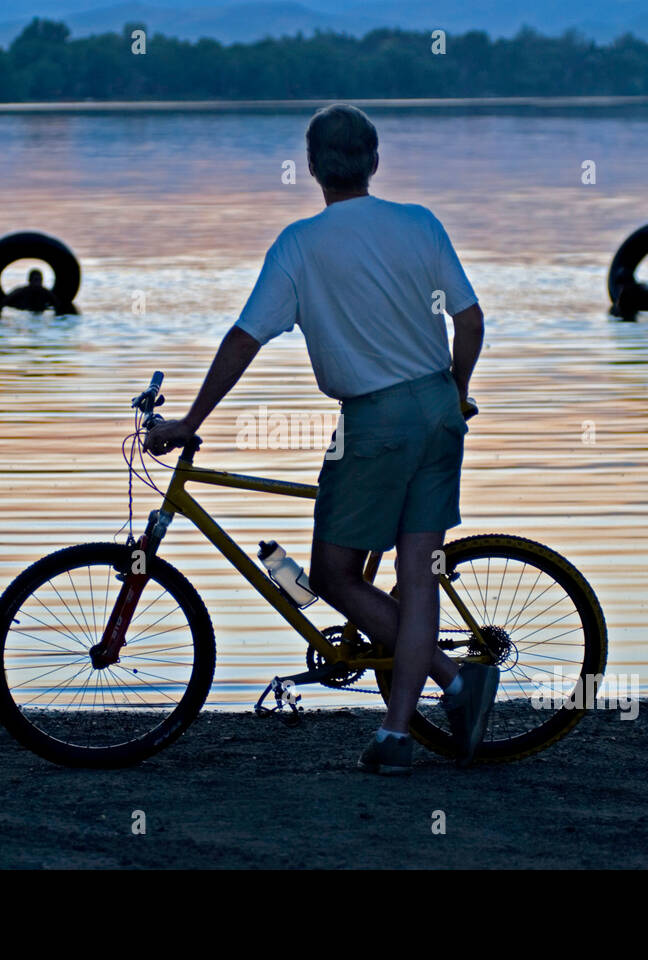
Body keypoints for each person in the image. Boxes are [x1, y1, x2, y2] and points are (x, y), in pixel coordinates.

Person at [145, 103, 497, 775]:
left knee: (334, 574)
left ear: (311, 166)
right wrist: (454, 391)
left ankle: (453, 682)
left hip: (372, 419)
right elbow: (471, 321)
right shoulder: (420, 223)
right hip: (436, 406)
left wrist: (191, 421)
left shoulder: (301, 245)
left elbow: (245, 339)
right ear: (374, 161)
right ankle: (398, 735)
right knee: (418, 574)